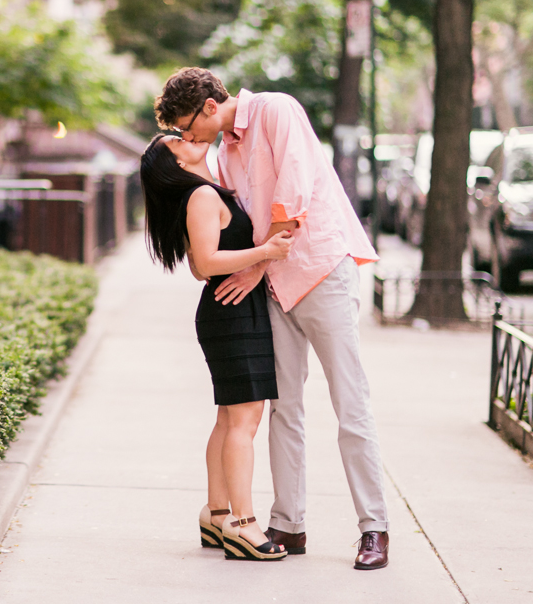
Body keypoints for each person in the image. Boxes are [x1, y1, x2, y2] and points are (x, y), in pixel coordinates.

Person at [153, 67, 390, 571]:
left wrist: (256, 264)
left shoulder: (276, 109)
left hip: (320, 270)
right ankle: (290, 522)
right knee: (285, 410)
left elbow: (292, 199)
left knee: (350, 403)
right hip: (275, 289)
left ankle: (374, 528)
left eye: (188, 126)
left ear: (210, 106)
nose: (187, 137)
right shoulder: (221, 154)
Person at [140, 132, 295, 562]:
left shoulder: (203, 194)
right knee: (244, 419)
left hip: (227, 310)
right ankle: (244, 525)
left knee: (230, 419)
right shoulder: (203, 196)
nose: (189, 137)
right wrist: (264, 251)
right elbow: (205, 263)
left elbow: (196, 267)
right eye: (178, 141)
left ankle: (217, 513)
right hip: (232, 314)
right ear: (177, 163)